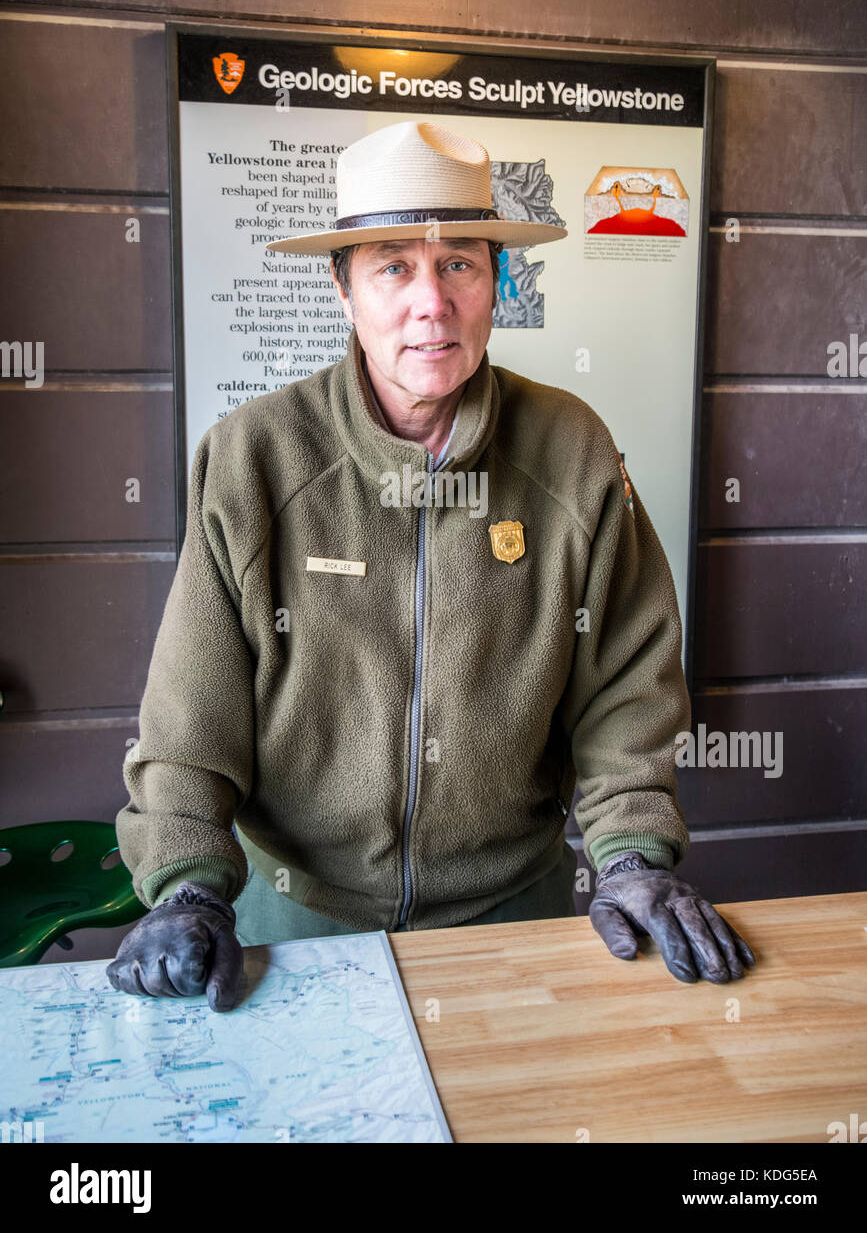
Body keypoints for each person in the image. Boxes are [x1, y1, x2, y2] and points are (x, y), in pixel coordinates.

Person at [107, 120, 755, 1013]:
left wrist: (632, 857)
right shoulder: (254, 457)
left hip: (510, 921)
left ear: (497, 283)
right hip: (295, 928)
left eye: (459, 265)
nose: (431, 304)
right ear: (343, 290)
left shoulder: (572, 451)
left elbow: (627, 691)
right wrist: (184, 883)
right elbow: (190, 717)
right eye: (392, 267)